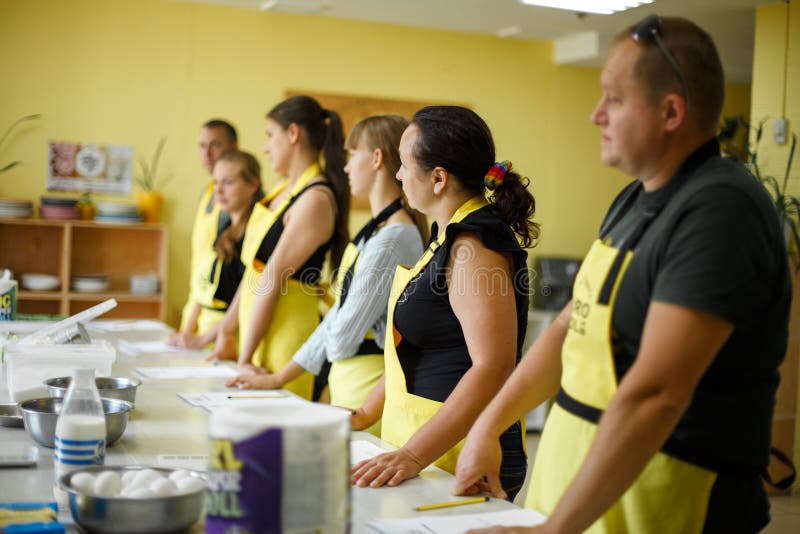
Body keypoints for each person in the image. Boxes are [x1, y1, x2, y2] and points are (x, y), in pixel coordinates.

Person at [453, 15, 791, 533]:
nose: (595, 116)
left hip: (665, 506)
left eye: (613, 99)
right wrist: (489, 425)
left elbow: (657, 394)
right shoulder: (634, 198)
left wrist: (553, 532)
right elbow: (572, 324)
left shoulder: (721, 211)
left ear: (670, 111)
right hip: (577, 499)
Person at [349, 106, 538, 502]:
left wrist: (414, 454)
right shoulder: (445, 235)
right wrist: (367, 413)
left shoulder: (472, 248)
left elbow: (493, 366)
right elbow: (413, 345)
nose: (398, 175)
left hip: (458, 447)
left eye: (403, 164)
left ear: (438, 178)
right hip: (426, 438)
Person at [226, 115, 428, 436]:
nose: (346, 168)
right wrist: (279, 378)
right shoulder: (376, 231)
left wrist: (331, 327)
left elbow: (342, 336)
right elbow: (341, 314)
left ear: (376, 159)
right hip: (350, 380)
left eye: (352, 156)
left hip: (366, 383)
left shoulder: (394, 238)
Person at [209, 95, 350, 401]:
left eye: (270, 135)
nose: (265, 147)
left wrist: (245, 357)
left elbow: (272, 277)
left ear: (293, 134)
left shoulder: (315, 198)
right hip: (257, 332)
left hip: (286, 339)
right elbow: (254, 274)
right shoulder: (283, 190)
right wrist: (227, 330)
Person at [170, 150, 263, 349]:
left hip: (230, 342)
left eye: (228, 183)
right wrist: (186, 333)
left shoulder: (256, 235)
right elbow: (201, 291)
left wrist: (201, 339)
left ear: (253, 185)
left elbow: (247, 301)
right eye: (216, 183)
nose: (218, 191)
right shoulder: (224, 229)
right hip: (205, 336)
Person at [168, 119, 238, 347]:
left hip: (221, 322)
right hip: (197, 311)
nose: (207, 153)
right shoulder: (208, 193)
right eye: (202, 145)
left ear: (233, 147)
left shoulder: (235, 202)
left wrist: (198, 337)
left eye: (215, 145)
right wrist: (188, 328)